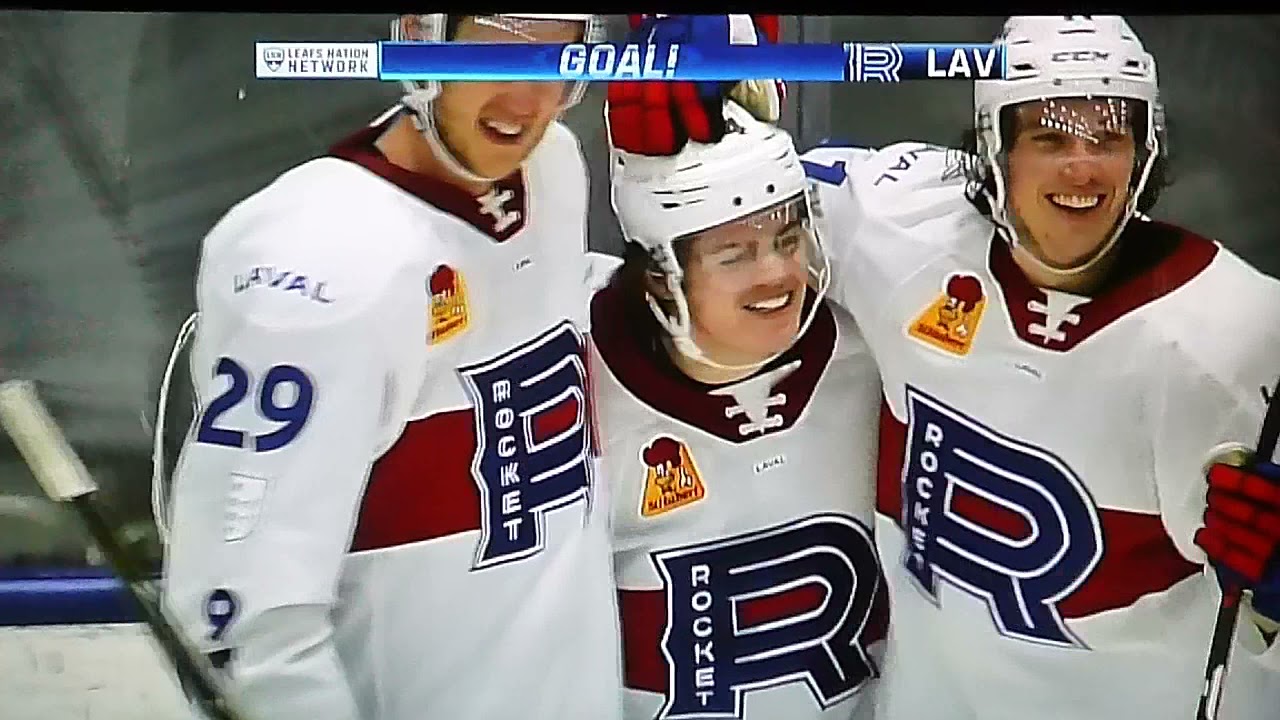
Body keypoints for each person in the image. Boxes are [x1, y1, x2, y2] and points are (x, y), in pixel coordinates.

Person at [610, 13, 1280, 720]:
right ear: (993, 148)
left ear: (1145, 152)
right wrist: (701, 95)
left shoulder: (1238, 338)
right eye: (1049, 137)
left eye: (1109, 137)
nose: (1081, 167)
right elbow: (729, 208)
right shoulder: (897, 222)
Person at [152, 14, 624, 720]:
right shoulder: (321, 258)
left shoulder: (550, 167)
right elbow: (240, 620)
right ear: (420, 32)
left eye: (559, 53)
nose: (529, 98)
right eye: (499, 46)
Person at [596, 99, 888, 719]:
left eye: (788, 239)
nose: (778, 273)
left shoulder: (874, 349)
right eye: (734, 255)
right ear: (657, 274)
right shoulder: (583, 381)